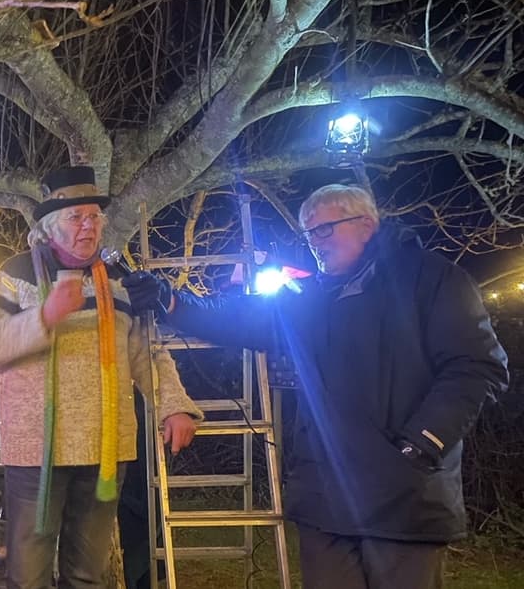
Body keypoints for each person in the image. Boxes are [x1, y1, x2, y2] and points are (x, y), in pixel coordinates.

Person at [130, 184, 510, 589]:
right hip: (326, 499)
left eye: (324, 230)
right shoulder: (313, 296)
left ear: (366, 224)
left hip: (406, 499)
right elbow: (243, 318)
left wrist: (424, 442)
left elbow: (478, 366)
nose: (315, 243)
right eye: (308, 234)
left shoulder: (432, 280)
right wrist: (172, 301)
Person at [0, 165, 201, 589]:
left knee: (86, 577)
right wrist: (44, 316)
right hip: (37, 453)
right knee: (27, 578)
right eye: (77, 217)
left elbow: (147, 352)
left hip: (105, 450)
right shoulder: (17, 273)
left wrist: (174, 406)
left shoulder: (120, 279)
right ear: (51, 226)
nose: (89, 225)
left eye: (94, 216)